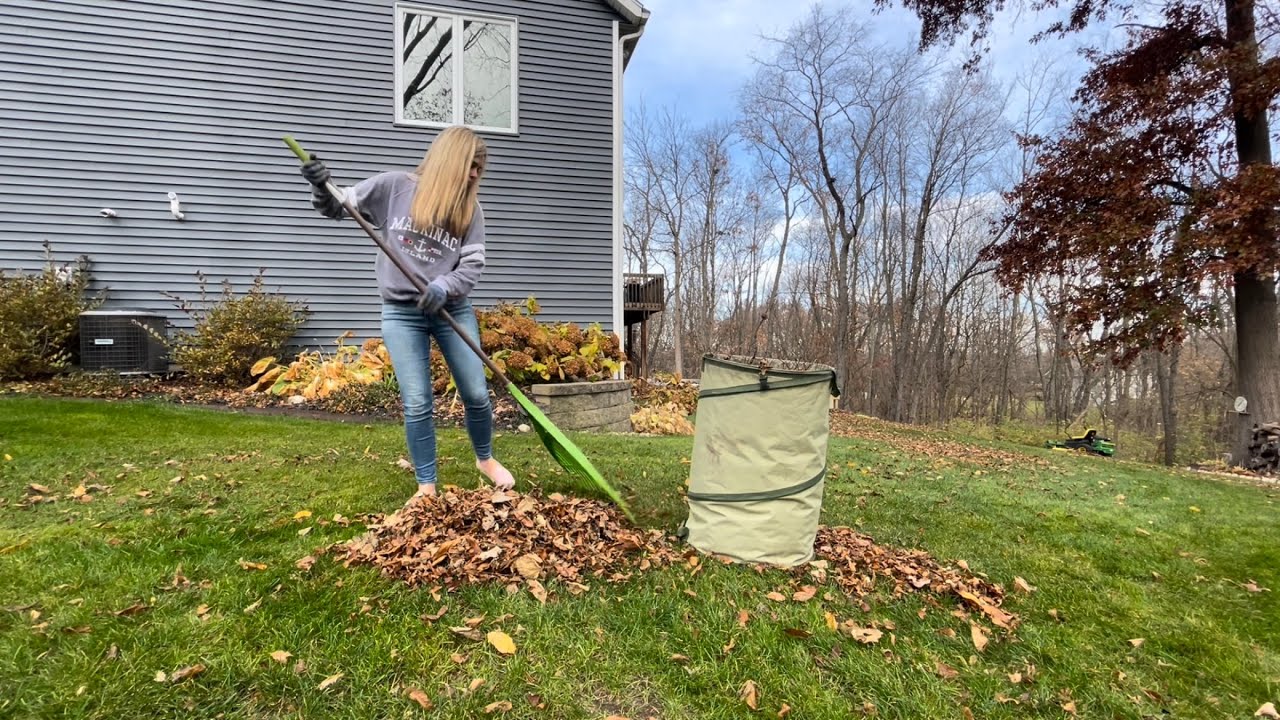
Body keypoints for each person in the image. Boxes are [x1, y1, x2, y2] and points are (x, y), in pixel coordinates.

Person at [299, 126, 515, 502]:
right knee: (417, 401)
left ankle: (485, 459)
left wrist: (444, 287)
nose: (475, 174)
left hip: (450, 309)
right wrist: (321, 186)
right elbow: (338, 205)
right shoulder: (394, 187)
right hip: (402, 313)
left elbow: (472, 267)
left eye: (479, 168)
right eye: (471, 165)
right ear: (450, 159)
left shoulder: (471, 211)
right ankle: (426, 486)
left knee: (477, 393)